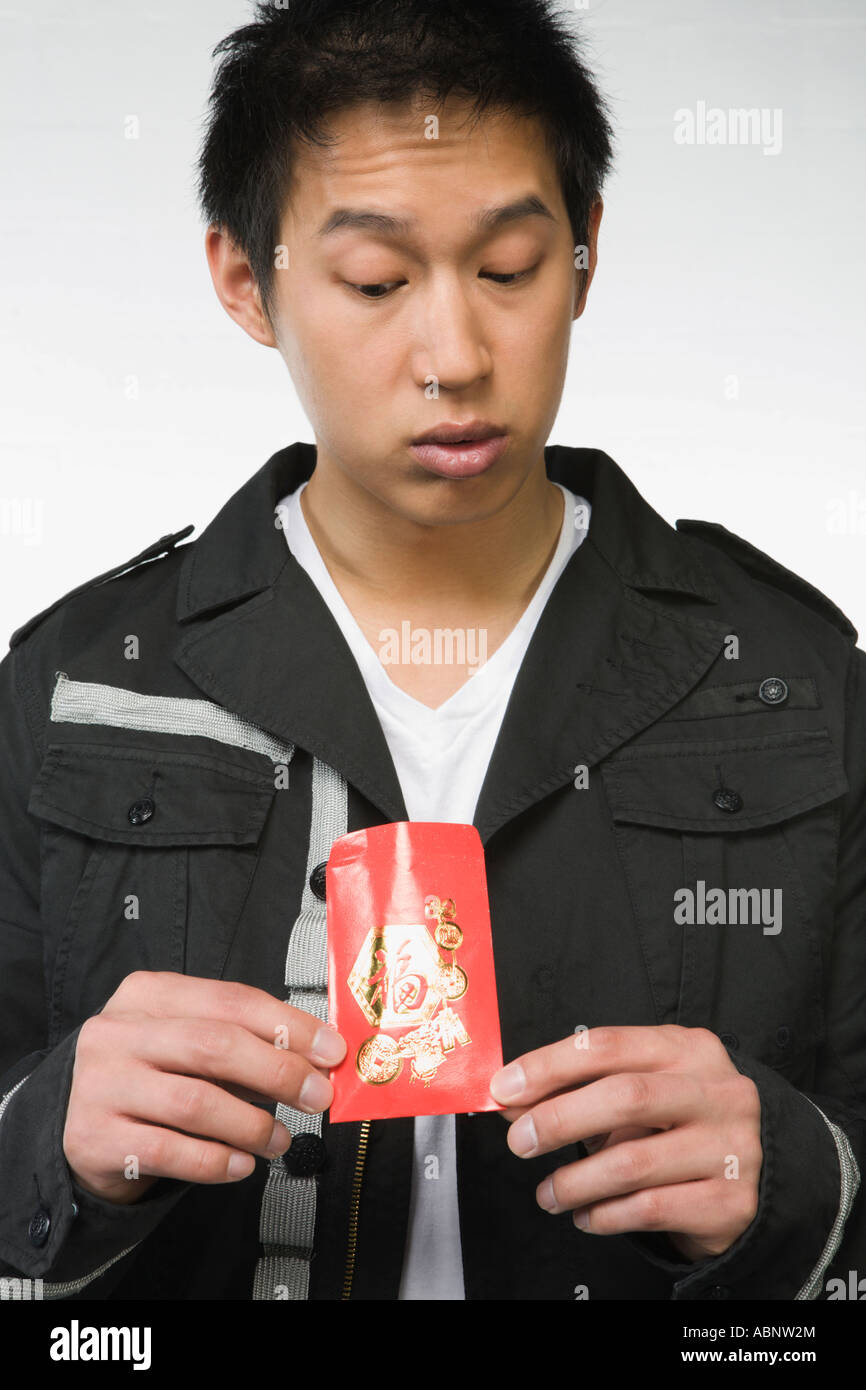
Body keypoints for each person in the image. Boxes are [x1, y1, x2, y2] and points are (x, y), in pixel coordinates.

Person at [0, 0, 862, 1302]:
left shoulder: (795, 675)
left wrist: (795, 1176)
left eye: (510, 268)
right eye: (375, 282)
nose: (455, 357)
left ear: (584, 255)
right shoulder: (77, 682)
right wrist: (52, 1134)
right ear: (245, 279)